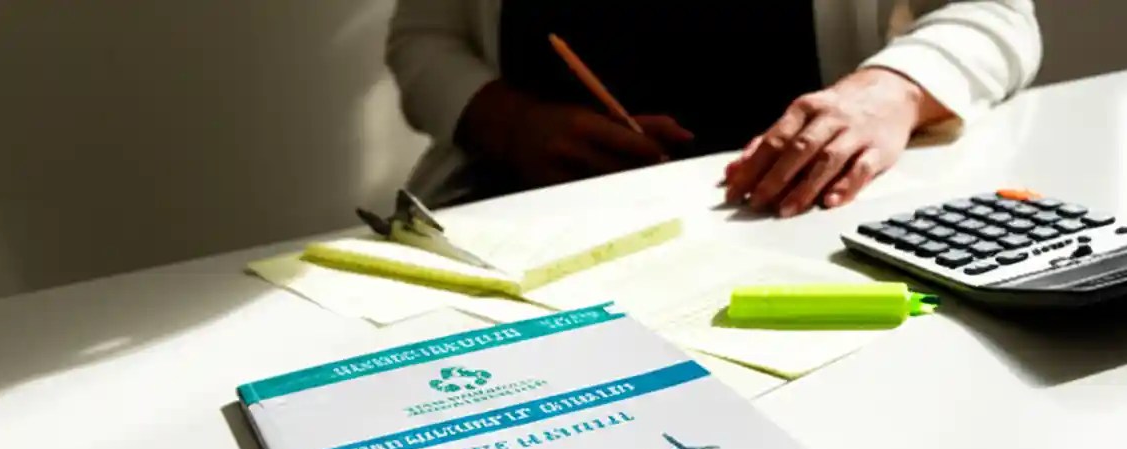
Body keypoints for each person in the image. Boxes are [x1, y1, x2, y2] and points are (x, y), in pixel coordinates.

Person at [386, 1, 1041, 216]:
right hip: (529, 215)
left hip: (788, 217)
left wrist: (890, 88)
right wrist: (507, 121)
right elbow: (424, 39)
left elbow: (995, 13)